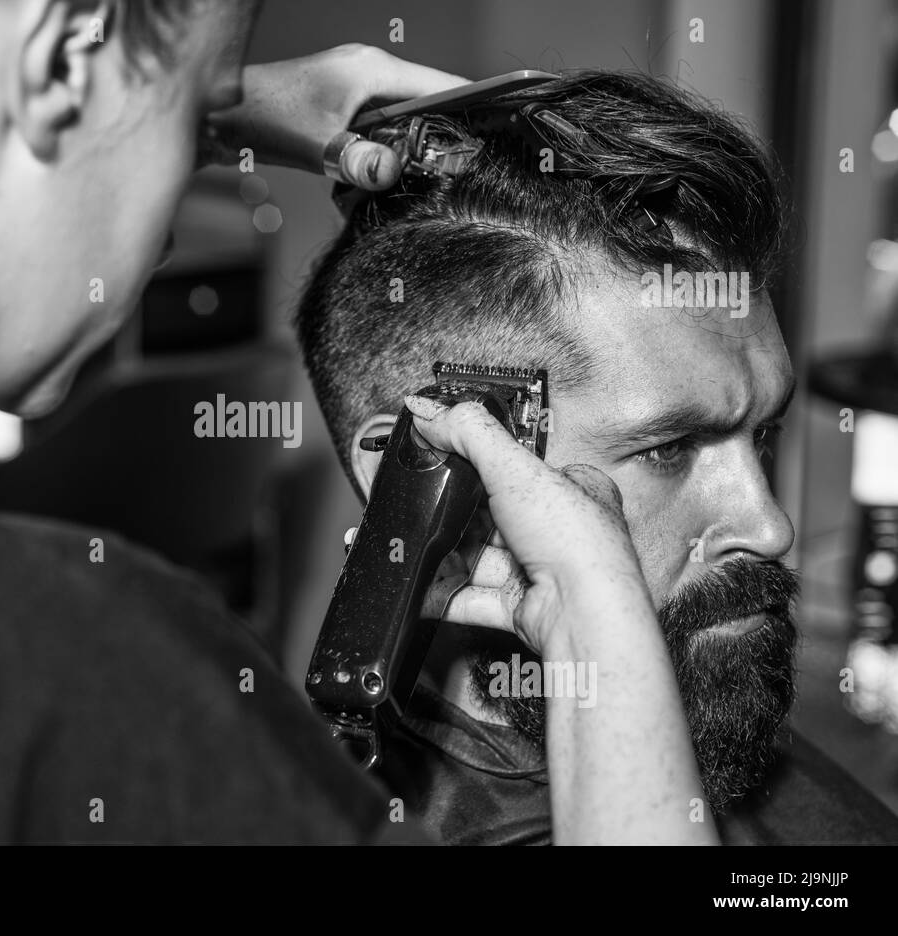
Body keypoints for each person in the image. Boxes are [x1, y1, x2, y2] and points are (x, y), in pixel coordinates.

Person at [0, 0, 702, 844]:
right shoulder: (75, 683)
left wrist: (166, 93)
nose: (177, 211)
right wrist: (602, 635)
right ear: (60, 58)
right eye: (190, 124)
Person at [295, 69, 898, 844]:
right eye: (667, 449)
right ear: (425, 463)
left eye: (764, 434)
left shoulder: (726, 732)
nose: (770, 526)